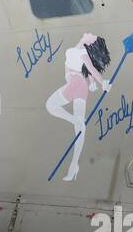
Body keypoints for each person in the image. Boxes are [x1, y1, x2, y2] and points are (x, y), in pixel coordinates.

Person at [46, 33, 112, 181]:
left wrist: (103, 83)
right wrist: (93, 83)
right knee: (79, 127)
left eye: (92, 36)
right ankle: (74, 166)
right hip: (79, 85)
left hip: (75, 84)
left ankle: (74, 122)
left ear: (90, 44)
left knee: (50, 105)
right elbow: (87, 70)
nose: (89, 33)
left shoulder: (82, 50)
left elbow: (92, 69)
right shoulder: (79, 50)